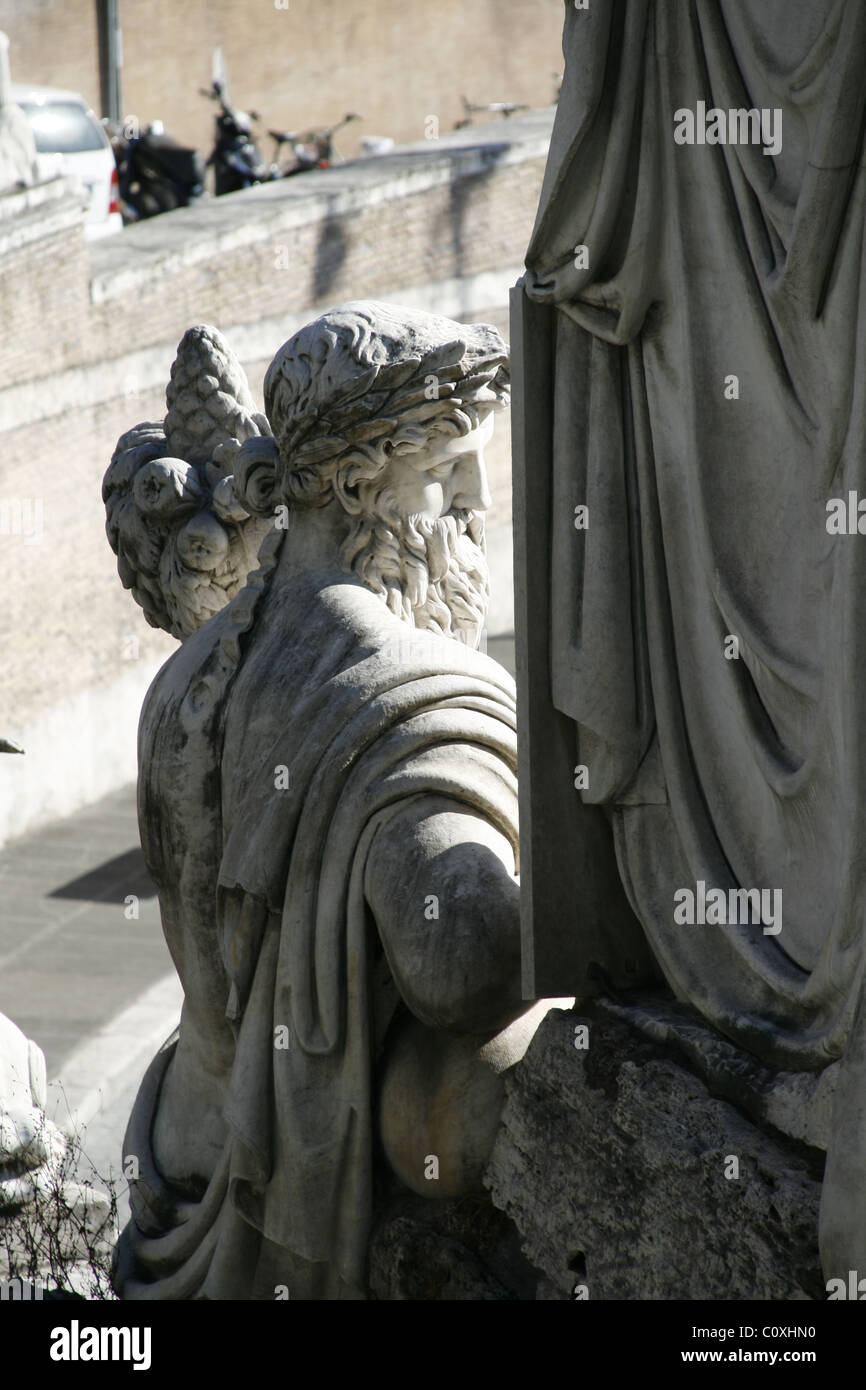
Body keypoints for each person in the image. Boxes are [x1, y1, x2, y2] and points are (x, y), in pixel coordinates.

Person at [112, 302, 531, 1300]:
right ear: (353, 483)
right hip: (292, 1218)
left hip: (180, 1148)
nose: (477, 499)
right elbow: (463, 967)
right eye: (450, 469)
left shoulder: (191, 671)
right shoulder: (403, 694)